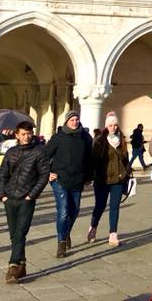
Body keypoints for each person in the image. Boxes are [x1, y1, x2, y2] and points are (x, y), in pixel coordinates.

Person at [0, 120, 50, 283]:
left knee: (21, 232)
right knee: (14, 235)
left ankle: (13, 267)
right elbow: (4, 173)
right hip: (10, 198)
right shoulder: (11, 152)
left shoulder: (39, 152)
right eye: (23, 134)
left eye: (29, 134)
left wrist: (32, 195)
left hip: (26, 198)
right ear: (17, 135)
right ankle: (22, 264)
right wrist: (2, 195)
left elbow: (44, 175)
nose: (27, 137)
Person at [44, 110, 92, 257]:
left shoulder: (85, 138)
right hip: (60, 179)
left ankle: (66, 232)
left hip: (77, 179)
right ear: (66, 121)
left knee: (75, 210)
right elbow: (45, 155)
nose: (75, 122)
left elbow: (89, 159)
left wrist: (89, 177)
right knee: (63, 211)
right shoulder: (58, 137)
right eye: (72, 120)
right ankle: (61, 242)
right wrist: (47, 173)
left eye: (77, 119)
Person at [88, 111, 131, 247]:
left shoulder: (122, 140)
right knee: (100, 206)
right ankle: (93, 227)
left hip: (118, 180)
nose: (114, 127)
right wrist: (91, 177)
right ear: (106, 126)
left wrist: (125, 174)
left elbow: (125, 159)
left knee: (115, 207)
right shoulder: (100, 141)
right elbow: (93, 160)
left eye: (115, 125)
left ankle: (113, 234)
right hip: (102, 180)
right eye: (111, 125)